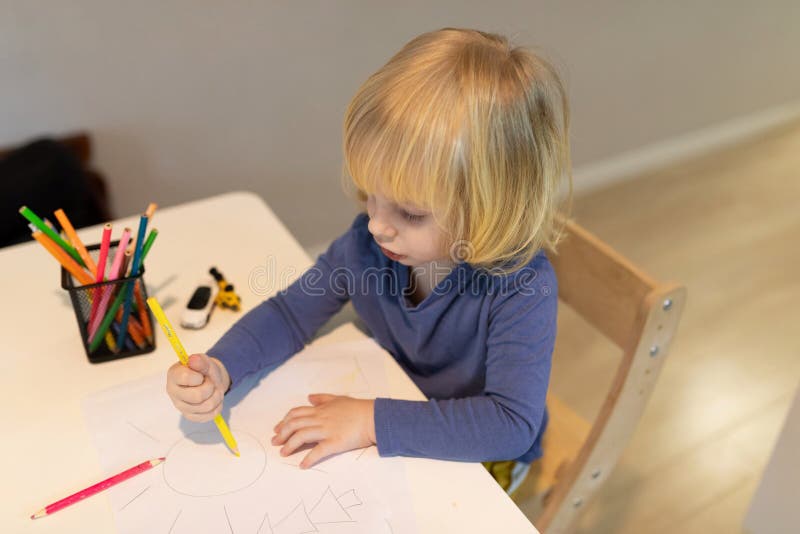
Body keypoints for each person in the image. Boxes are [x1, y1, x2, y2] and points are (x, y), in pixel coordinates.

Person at [166, 27, 572, 496]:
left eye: (411, 212)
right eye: (370, 196)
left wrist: (368, 419)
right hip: (396, 403)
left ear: (492, 207)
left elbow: (509, 423)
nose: (377, 224)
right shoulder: (366, 245)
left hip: (475, 450)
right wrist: (222, 366)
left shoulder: (521, 287)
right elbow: (289, 313)